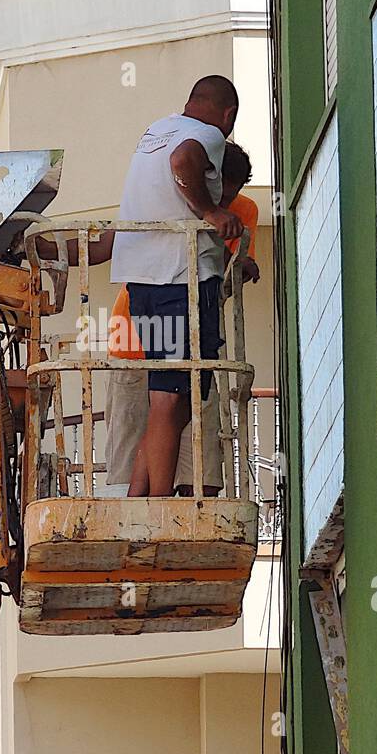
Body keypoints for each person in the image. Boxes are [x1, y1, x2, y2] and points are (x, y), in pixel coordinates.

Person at [105, 142, 259, 497]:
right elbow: (108, 245)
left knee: (196, 464)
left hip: (189, 336)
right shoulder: (167, 196)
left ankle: (168, 513)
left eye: (228, 196)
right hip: (134, 337)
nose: (220, 203)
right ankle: (142, 511)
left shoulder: (241, 211)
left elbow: (225, 275)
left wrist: (239, 264)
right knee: (131, 455)